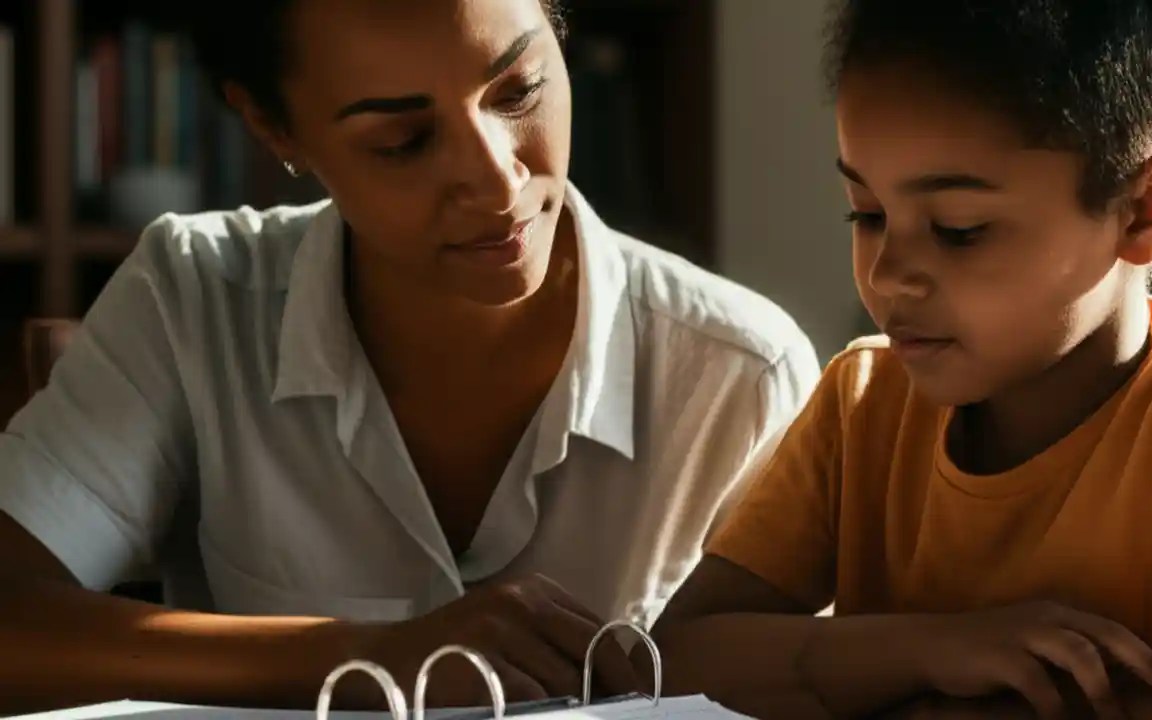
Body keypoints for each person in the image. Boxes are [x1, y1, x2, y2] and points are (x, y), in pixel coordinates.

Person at [0, 0, 820, 713]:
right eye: (403, 140)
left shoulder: (737, 374)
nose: (497, 183)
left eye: (519, 91)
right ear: (272, 125)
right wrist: (369, 658)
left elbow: (806, 692)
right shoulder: (190, 301)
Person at [653, 0, 1152, 718]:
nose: (887, 274)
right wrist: (934, 650)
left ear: (1145, 206)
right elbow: (677, 661)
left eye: (958, 230)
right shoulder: (863, 408)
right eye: (867, 213)